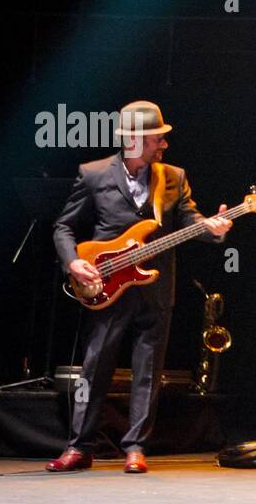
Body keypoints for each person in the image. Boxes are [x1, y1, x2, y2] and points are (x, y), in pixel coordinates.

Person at [46, 100, 232, 474]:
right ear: (132, 139)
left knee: (148, 369)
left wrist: (214, 229)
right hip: (106, 280)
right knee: (95, 367)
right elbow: (63, 227)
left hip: (155, 287)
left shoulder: (173, 176)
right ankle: (80, 447)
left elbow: (191, 218)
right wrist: (73, 261)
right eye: (155, 139)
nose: (163, 145)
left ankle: (136, 447)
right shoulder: (94, 173)